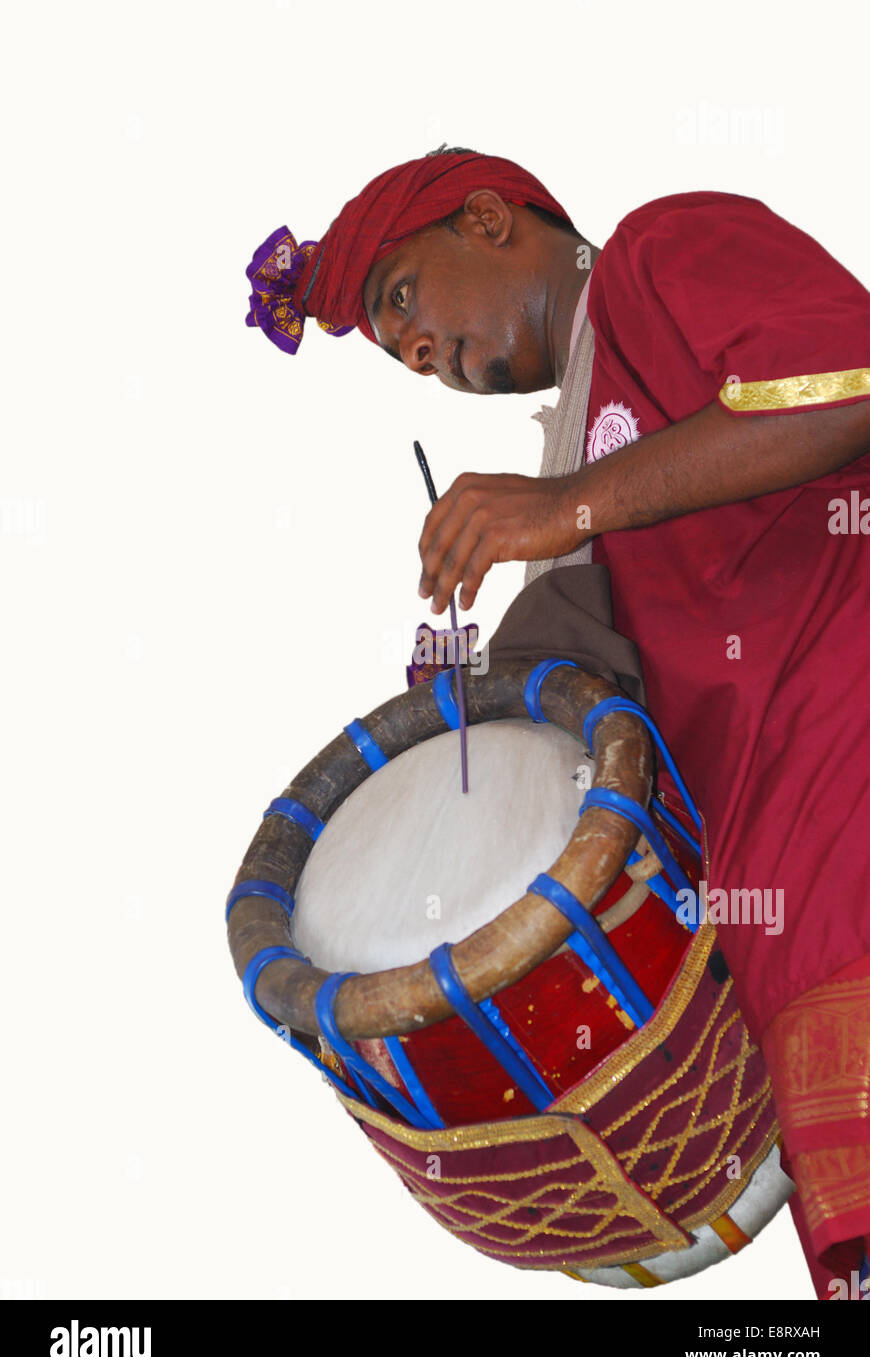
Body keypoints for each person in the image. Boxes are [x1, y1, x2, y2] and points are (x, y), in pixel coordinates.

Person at [244, 146, 870, 1299]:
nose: (427, 358)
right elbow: (578, 726)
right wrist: (462, 733)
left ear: (487, 218)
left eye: (403, 303)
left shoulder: (654, 254)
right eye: (409, 361)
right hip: (787, 895)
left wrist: (561, 503)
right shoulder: (577, 473)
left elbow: (845, 380)